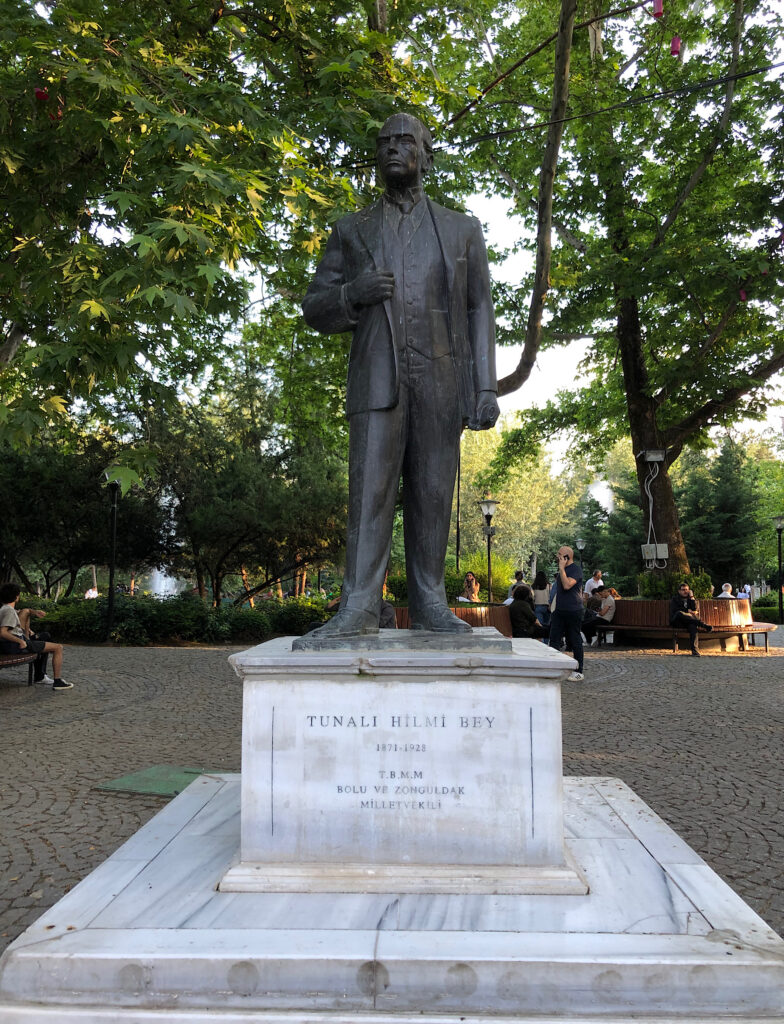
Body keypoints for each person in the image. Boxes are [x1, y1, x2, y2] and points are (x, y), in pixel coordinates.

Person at [296, 112, 498, 644]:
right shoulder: (350, 229)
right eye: (384, 142)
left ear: (427, 153)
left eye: (405, 141)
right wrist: (351, 295)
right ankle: (359, 606)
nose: (393, 149)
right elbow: (314, 307)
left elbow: (480, 309)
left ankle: (430, 602)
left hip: (440, 379)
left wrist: (484, 388)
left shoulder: (460, 228)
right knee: (370, 493)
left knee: (433, 491)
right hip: (377, 381)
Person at [0, 583, 72, 689]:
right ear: (16, 597)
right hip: (14, 645)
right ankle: (57, 681)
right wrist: (21, 642)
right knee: (58, 648)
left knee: (44, 636)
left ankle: (41, 675)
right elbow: (3, 632)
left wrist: (33, 613)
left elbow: (24, 612)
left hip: (14, 643)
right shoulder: (8, 611)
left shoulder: (5, 609)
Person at [548, 546, 584, 681]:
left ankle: (578, 671)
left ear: (567, 557)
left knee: (575, 640)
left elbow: (567, 585)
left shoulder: (576, 570)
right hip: (559, 610)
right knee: (554, 639)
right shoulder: (562, 569)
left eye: (560, 554)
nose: (557, 556)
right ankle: (553, 668)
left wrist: (562, 569)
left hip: (573, 609)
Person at [669, 582, 713, 656]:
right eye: (683, 590)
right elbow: (675, 609)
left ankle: (695, 651)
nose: (685, 591)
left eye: (687, 590)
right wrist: (687, 611)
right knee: (680, 613)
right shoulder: (675, 599)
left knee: (693, 627)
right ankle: (703, 625)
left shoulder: (690, 599)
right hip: (677, 621)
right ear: (679, 591)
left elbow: (695, 609)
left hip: (688, 622)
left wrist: (692, 597)